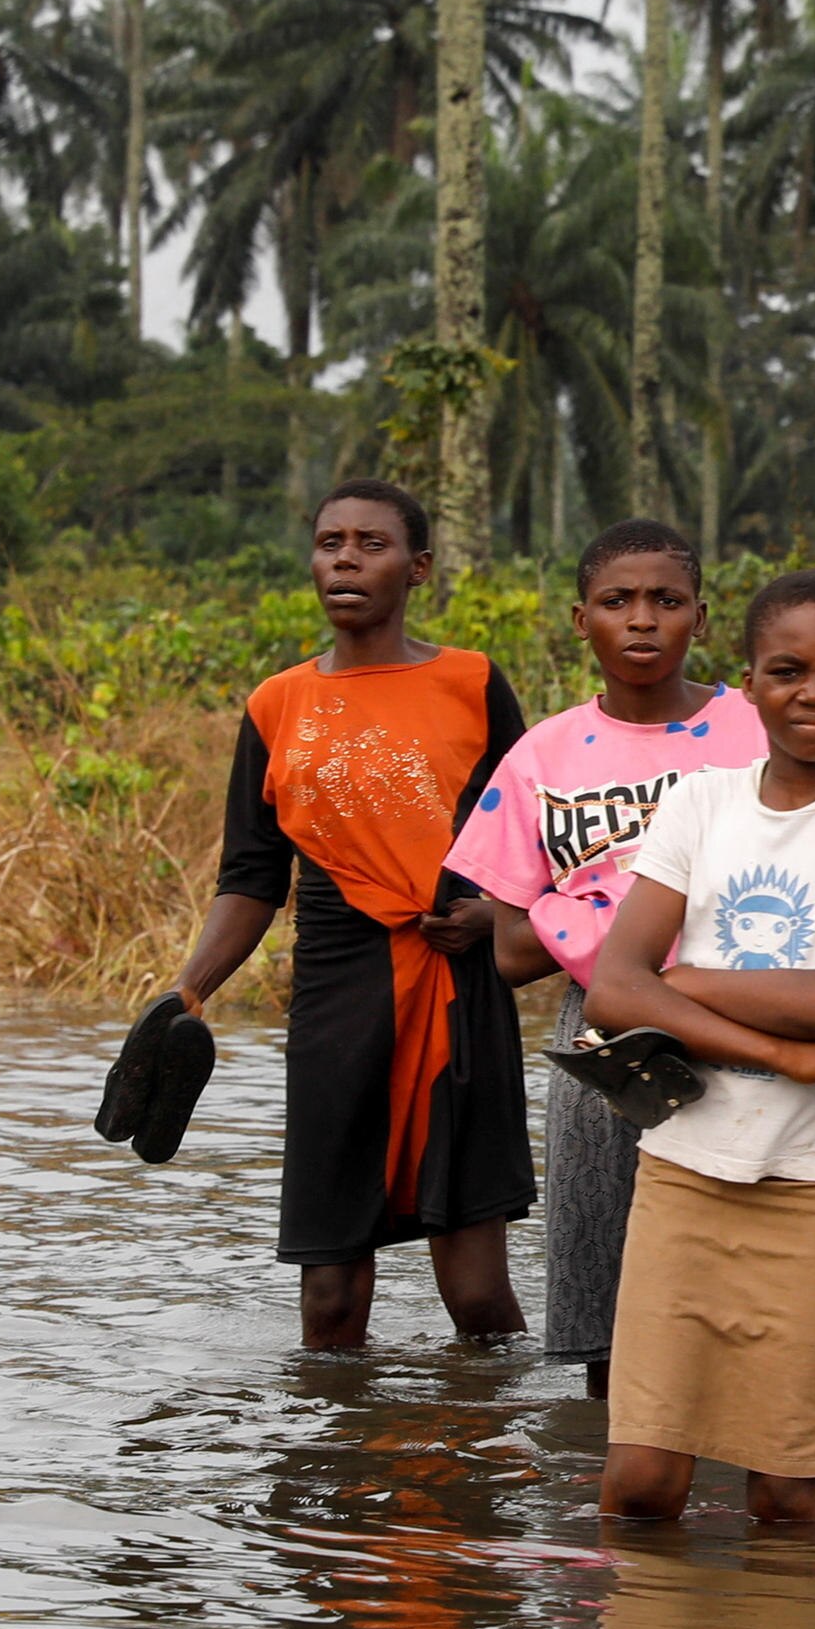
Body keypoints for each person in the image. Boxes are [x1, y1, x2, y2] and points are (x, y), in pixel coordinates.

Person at [572, 572, 815, 1533]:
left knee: (788, 1487)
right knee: (642, 1479)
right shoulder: (700, 802)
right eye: (787, 670)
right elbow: (614, 990)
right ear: (747, 683)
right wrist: (789, 1057)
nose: (814, 692)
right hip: (684, 1170)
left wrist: (683, 980)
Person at [172, 482, 533, 1352]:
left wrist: (493, 916)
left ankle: (488, 1433)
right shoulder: (276, 704)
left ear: (418, 568)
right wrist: (187, 993)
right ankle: (335, 1435)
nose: (345, 558)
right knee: (331, 1298)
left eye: (371, 543)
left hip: (458, 989)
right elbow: (251, 878)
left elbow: (532, 838)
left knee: (477, 1293)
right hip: (337, 1000)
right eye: (330, 541)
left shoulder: (473, 682)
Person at [448, 521, 765, 1393]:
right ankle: (608, 1462)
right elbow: (511, 950)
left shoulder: (754, 730)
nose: (642, 619)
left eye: (667, 600)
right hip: (603, 1041)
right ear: (580, 618)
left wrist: (575, 909)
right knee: (605, 1293)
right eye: (618, 601)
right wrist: (625, 923)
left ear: (701, 617)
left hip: (746, 1009)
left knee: (744, 1283)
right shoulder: (542, 755)